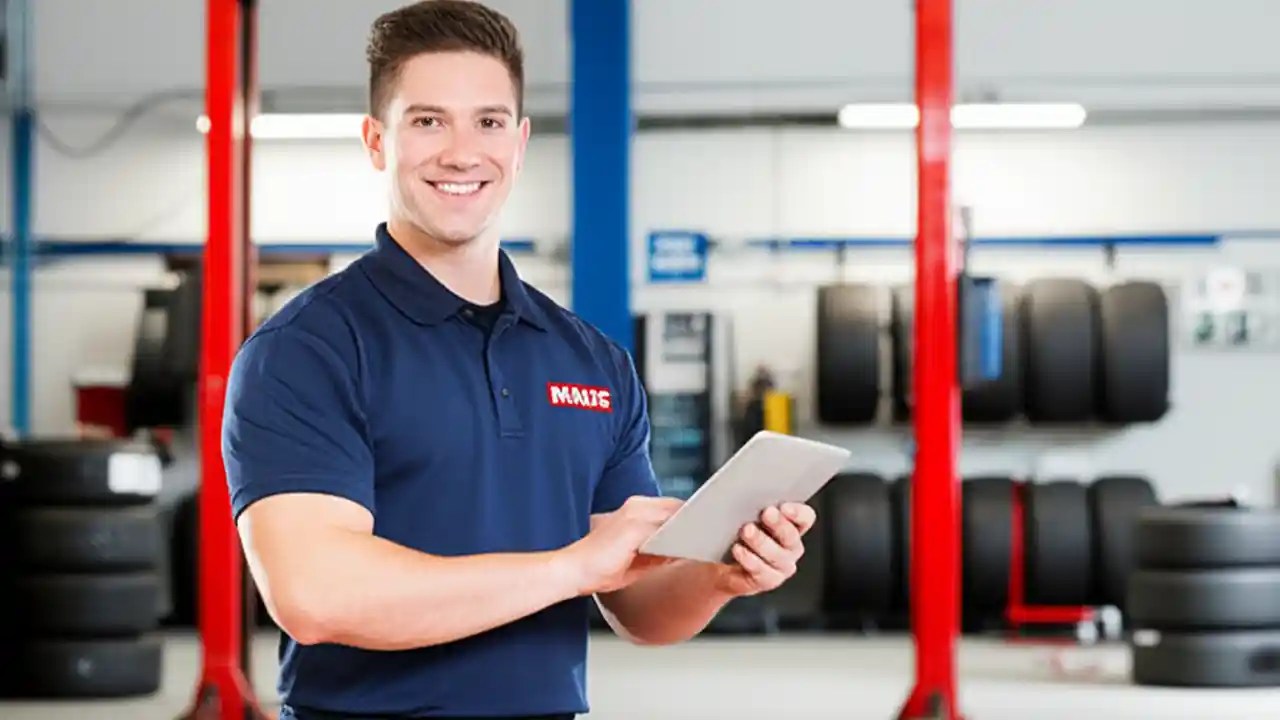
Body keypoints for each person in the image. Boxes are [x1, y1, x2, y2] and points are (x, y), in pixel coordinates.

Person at [222, 2, 818, 718]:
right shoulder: (307, 350)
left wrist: (722, 573)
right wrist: (570, 569)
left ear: (521, 140)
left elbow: (638, 608)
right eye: (428, 120)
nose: (462, 152)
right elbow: (315, 597)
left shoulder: (593, 360)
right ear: (377, 141)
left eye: (489, 121)